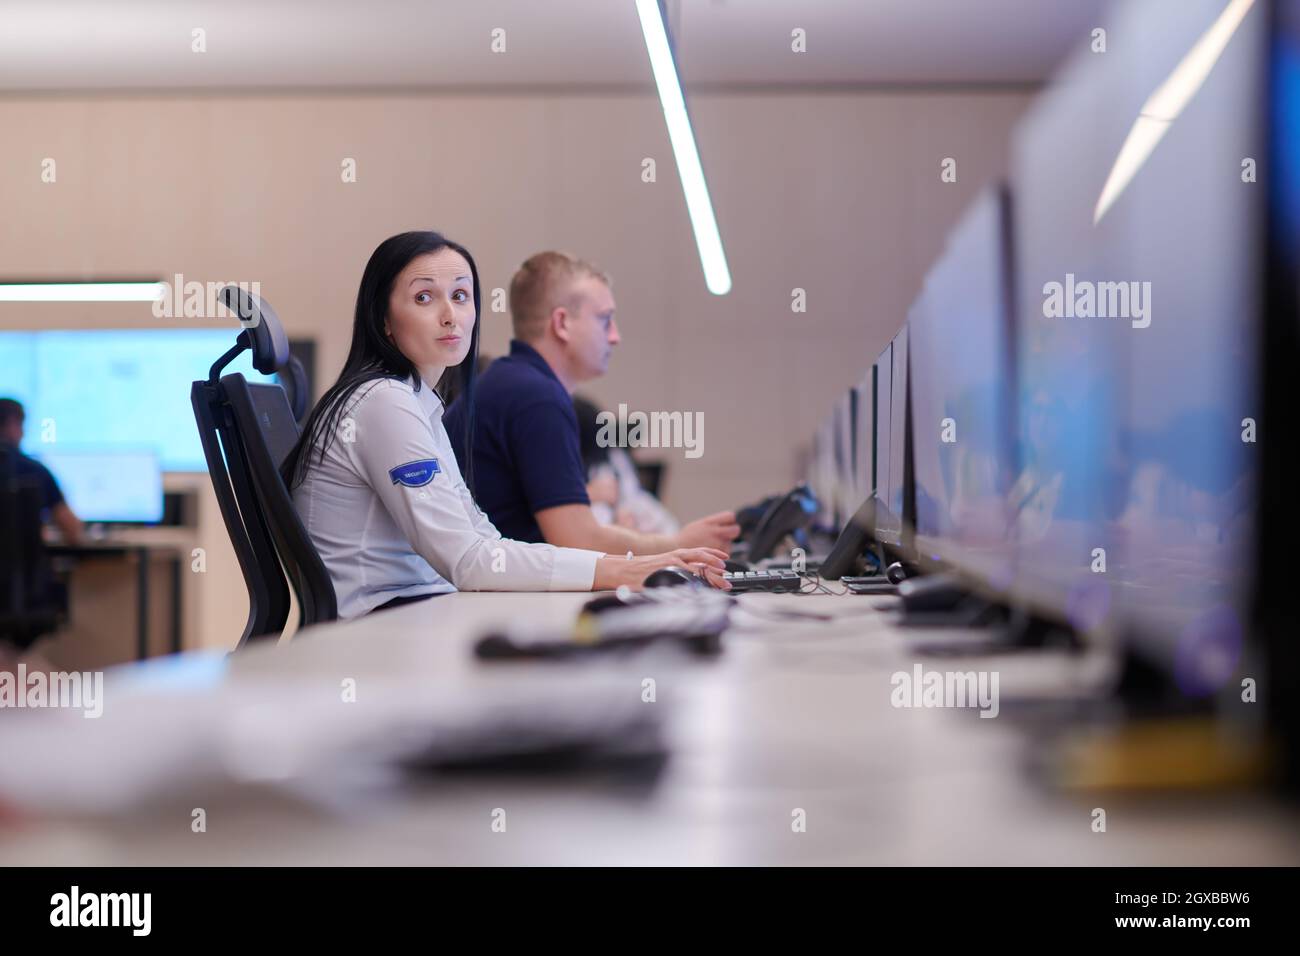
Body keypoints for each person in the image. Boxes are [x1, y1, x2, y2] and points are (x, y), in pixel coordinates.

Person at [280, 231, 728, 619]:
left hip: (413, 610)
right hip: (379, 627)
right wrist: (625, 568)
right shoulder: (383, 403)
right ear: (384, 321)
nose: (450, 315)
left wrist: (631, 565)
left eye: (460, 296)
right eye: (423, 298)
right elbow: (469, 560)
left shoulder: (417, 403)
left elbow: (482, 537)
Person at [444, 251, 738, 554]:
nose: (615, 336)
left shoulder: (512, 383)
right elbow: (577, 541)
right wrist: (678, 545)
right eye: (605, 320)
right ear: (562, 323)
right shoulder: (535, 397)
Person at [0, 399, 83, 546]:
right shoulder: (33, 471)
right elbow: (73, 530)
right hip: (21, 567)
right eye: (21, 426)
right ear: (13, 425)